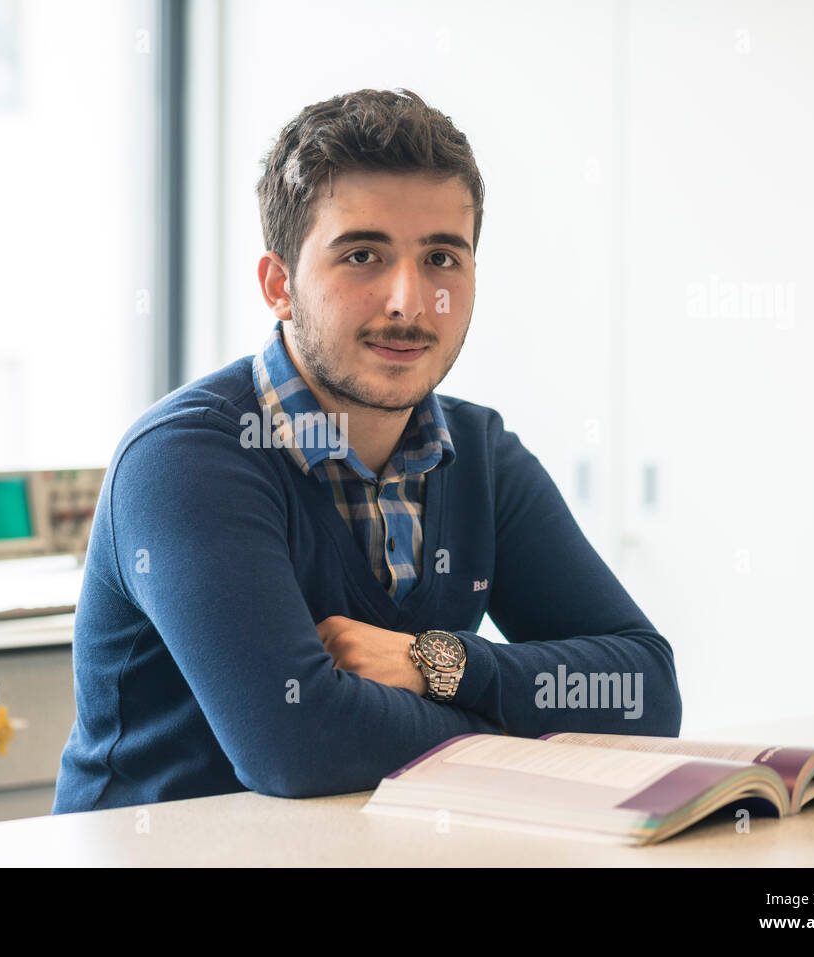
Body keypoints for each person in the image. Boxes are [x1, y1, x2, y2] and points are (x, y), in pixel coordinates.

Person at [52, 88, 681, 814]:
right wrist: (527, 720)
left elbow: (643, 692)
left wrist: (434, 664)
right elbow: (299, 745)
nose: (410, 303)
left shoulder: (478, 453)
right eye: (362, 255)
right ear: (279, 284)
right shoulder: (187, 462)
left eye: (442, 257)